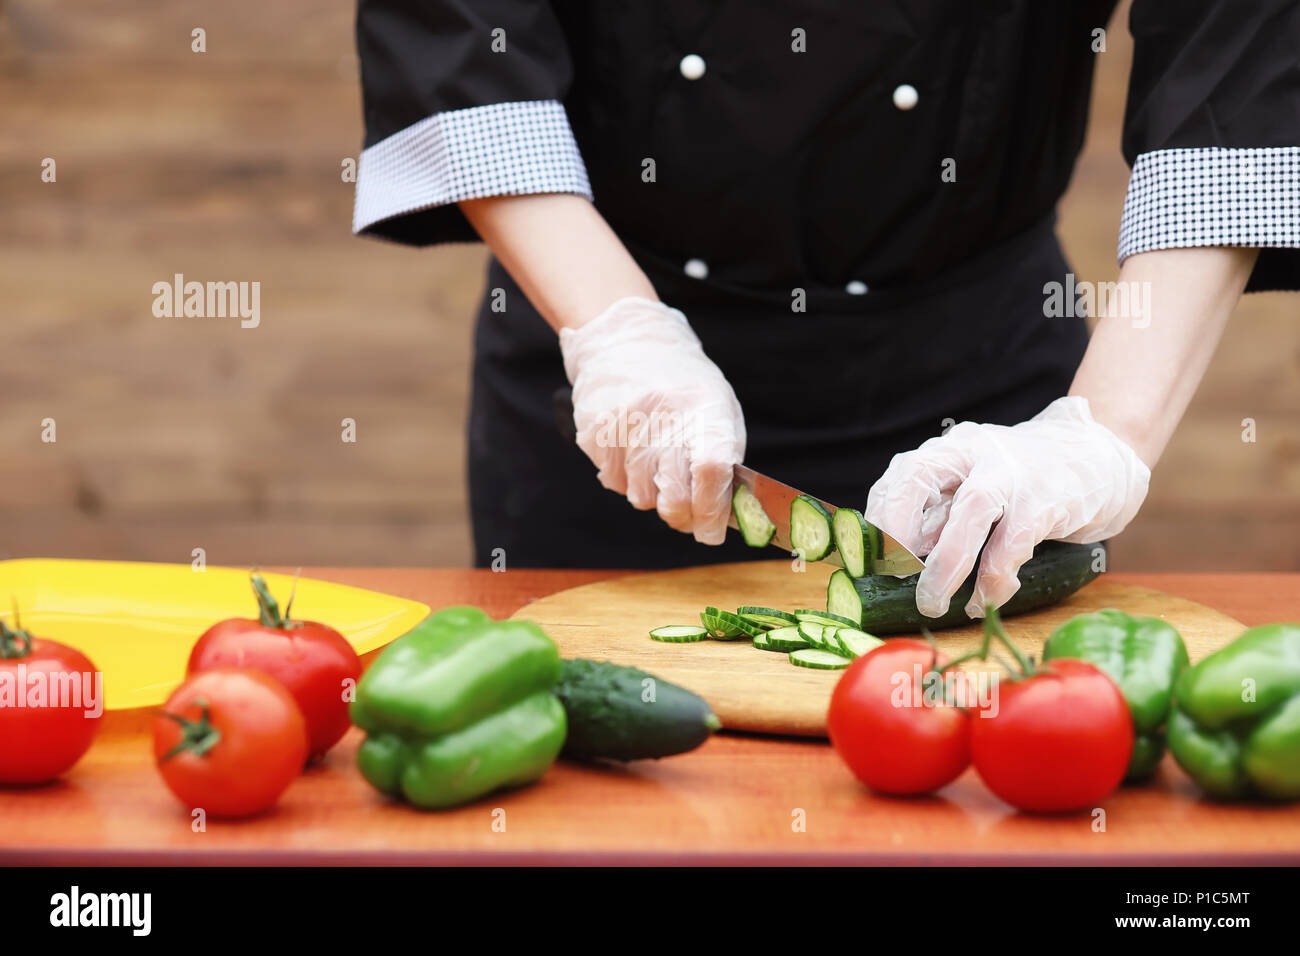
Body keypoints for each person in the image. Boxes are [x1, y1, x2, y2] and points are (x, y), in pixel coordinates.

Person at [352, 1, 1298, 618]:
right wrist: (618, 333)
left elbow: (1233, 75)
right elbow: (469, 52)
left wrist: (1100, 436)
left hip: (986, 397)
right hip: (613, 404)